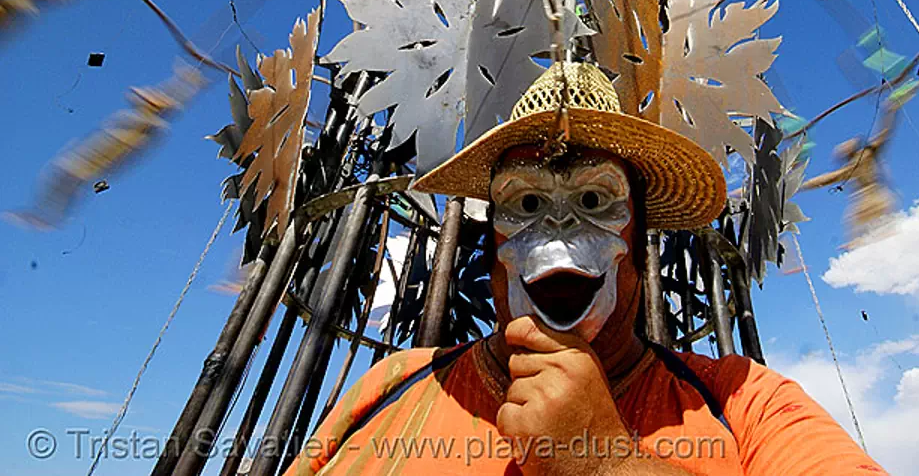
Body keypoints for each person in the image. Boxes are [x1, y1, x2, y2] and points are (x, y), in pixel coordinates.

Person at [286, 63, 888, 475]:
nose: (559, 230)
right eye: (525, 205)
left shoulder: (746, 402)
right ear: (490, 242)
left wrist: (604, 459)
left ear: (640, 241)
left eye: (596, 201)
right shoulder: (392, 391)